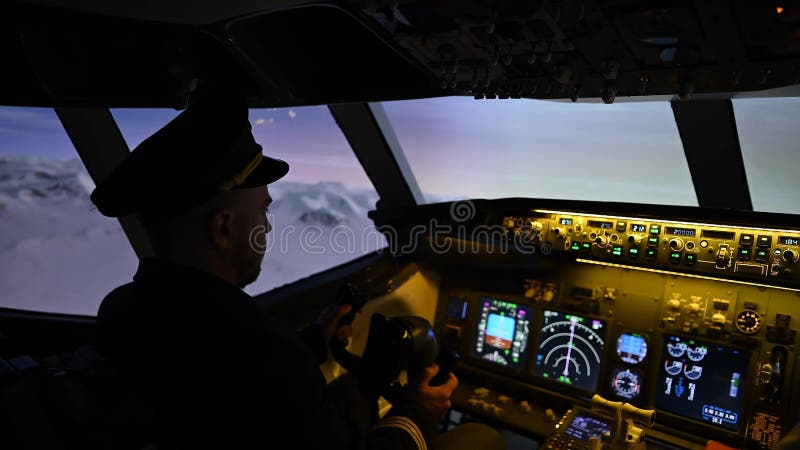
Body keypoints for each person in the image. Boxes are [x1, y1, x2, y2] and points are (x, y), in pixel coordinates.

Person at [90, 97, 504, 450]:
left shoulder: (122, 309)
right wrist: (416, 413)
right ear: (224, 229)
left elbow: (230, 396)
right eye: (262, 210)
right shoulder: (259, 354)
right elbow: (254, 380)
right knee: (479, 437)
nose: (267, 226)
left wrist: (311, 343)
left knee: (345, 394)